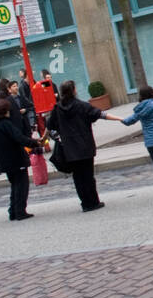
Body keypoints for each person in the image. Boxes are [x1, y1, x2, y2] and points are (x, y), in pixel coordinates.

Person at [46, 80, 123, 212]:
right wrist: (121, 119)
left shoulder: (57, 108)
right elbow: (100, 114)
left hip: (69, 148)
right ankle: (93, 202)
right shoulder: (81, 105)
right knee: (88, 175)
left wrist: (52, 138)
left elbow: (50, 126)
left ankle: (85, 203)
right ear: (74, 90)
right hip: (85, 146)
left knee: (78, 177)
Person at [0, 99, 45, 219]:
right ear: (4, 111)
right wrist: (36, 143)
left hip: (4, 162)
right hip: (16, 159)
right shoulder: (6, 124)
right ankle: (19, 211)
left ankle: (13, 210)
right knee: (21, 185)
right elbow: (20, 138)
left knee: (14, 185)